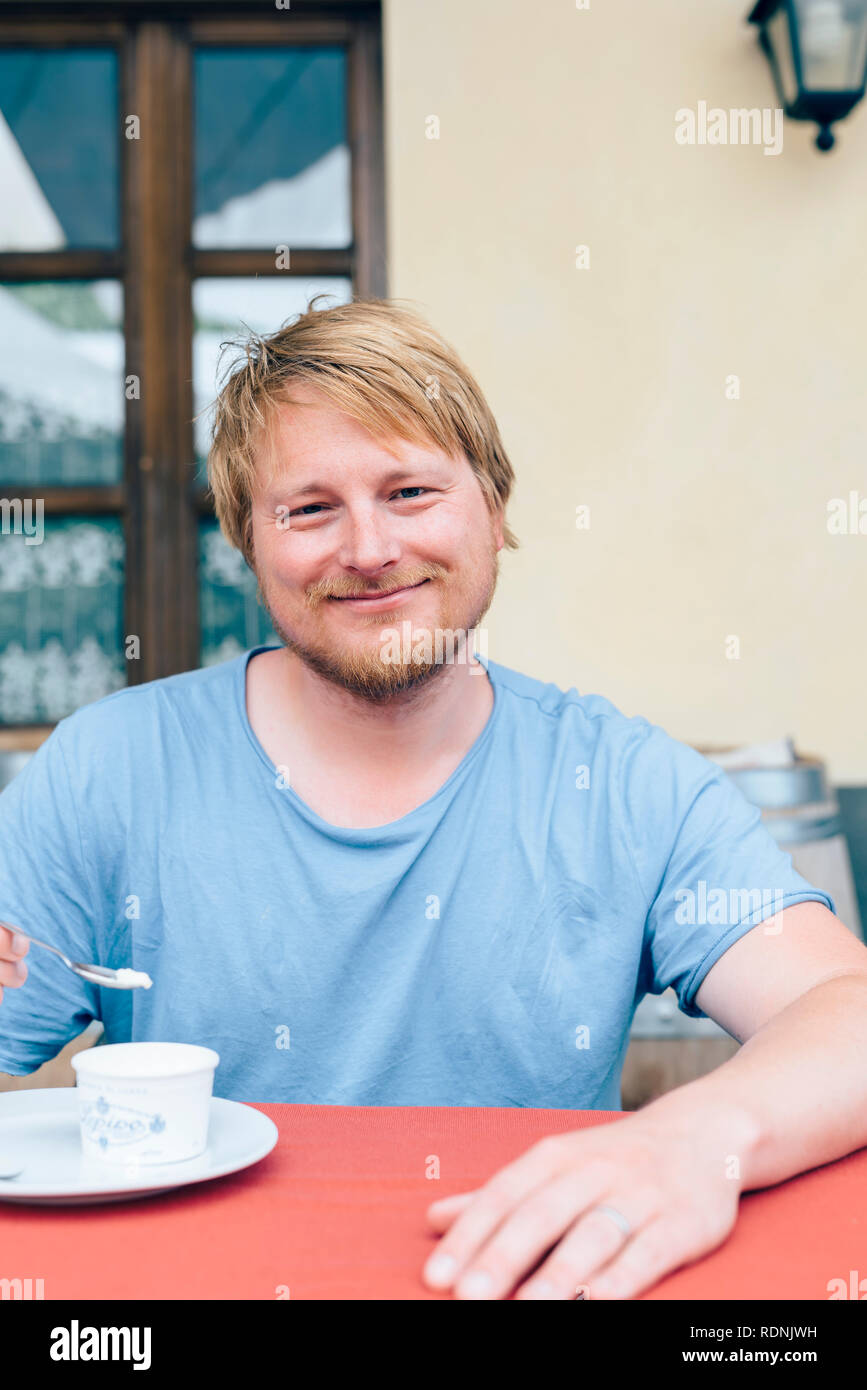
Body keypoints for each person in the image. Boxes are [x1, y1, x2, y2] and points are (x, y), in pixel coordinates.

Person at [1, 296, 866, 1301]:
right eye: (309, 508)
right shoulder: (109, 768)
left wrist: (694, 1138)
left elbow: (844, 1011)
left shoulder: (626, 784)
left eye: (409, 491)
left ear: (494, 511)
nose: (368, 549)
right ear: (249, 542)